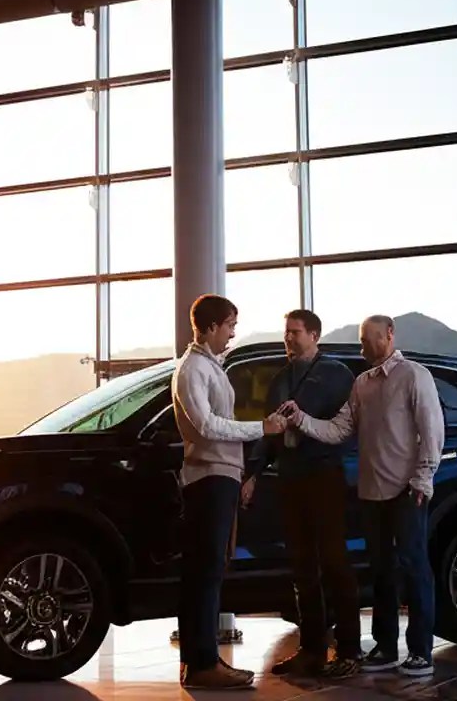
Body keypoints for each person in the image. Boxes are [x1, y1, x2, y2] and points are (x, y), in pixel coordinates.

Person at [278, 314, 444, 677]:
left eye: (369, 340)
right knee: (381, 571)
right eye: (361, 340)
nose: (363, 346)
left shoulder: (414, 376)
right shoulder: (362, 385)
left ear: (389, 335)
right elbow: (340, 429)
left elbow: (432, 430)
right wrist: (301, 418)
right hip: (371, 492)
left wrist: (423, 478)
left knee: (415, 568)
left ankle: (421, 651)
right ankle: (385, 647)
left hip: (407, 491)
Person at [173, 293, 288, 690]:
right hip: (208, 479)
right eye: (229, 326)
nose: (232, 334)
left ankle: (200, 661)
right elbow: (208, 426)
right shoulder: (193, 370)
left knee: (205, 574)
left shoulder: (207, 367)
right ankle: (204, 664)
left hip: (218, 476)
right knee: (205, 574)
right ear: (209, 327)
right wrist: (263, 428)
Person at [241, 309, 362, 678]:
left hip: (325, 476)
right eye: (286, 332)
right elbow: (270, 433)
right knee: (302, 566)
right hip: (290, 478)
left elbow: (349, 427)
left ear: (314, 335)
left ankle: (350, 650)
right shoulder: (280, 378)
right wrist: (254, 474)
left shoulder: (338, 375)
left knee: (335, 563)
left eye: (295, 332)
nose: (288, 338)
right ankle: (311, 649)